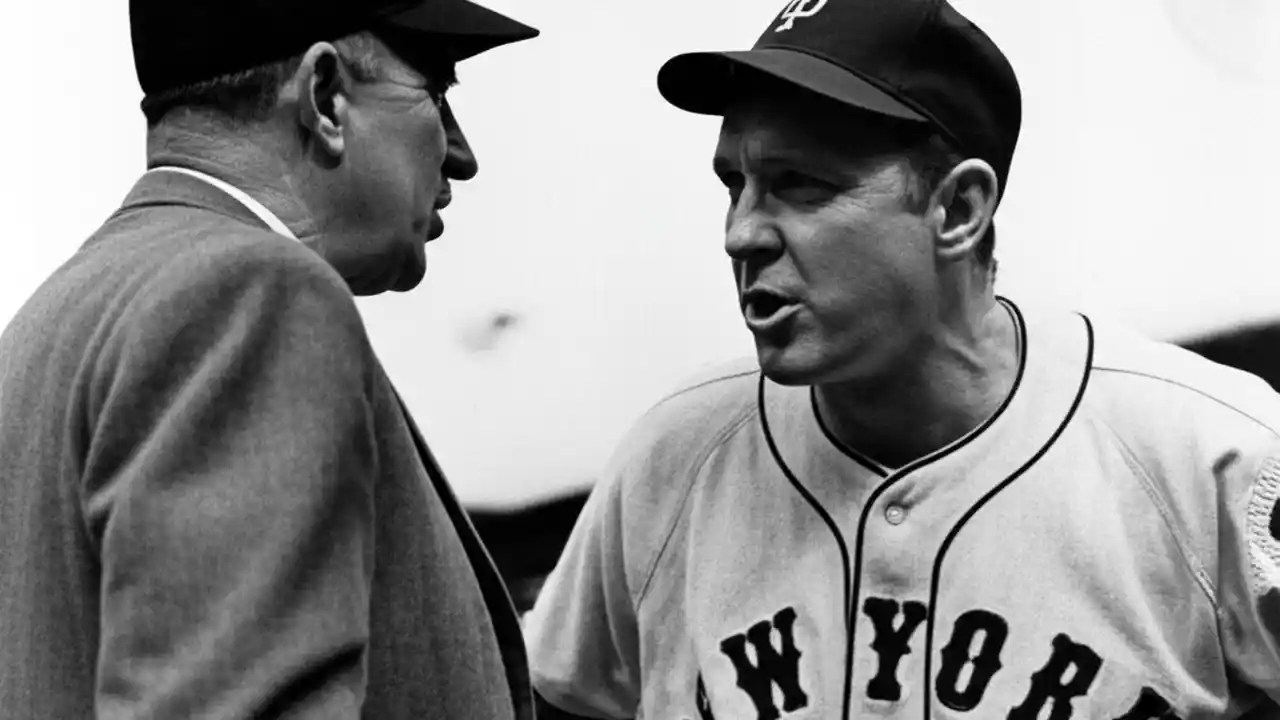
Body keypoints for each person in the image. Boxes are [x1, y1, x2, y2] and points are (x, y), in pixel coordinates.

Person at [523, 0, 1280, 718]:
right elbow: (554, 698)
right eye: (735, 184)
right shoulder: (673, 456)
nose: (742, 233)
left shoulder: (1217, 456)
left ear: (957, 210)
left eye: (799, 185)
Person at [0, 0, 538, 717]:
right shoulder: (254, 297)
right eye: (437, 95)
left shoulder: (46, 326)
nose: (461, 154)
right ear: (324, 96)